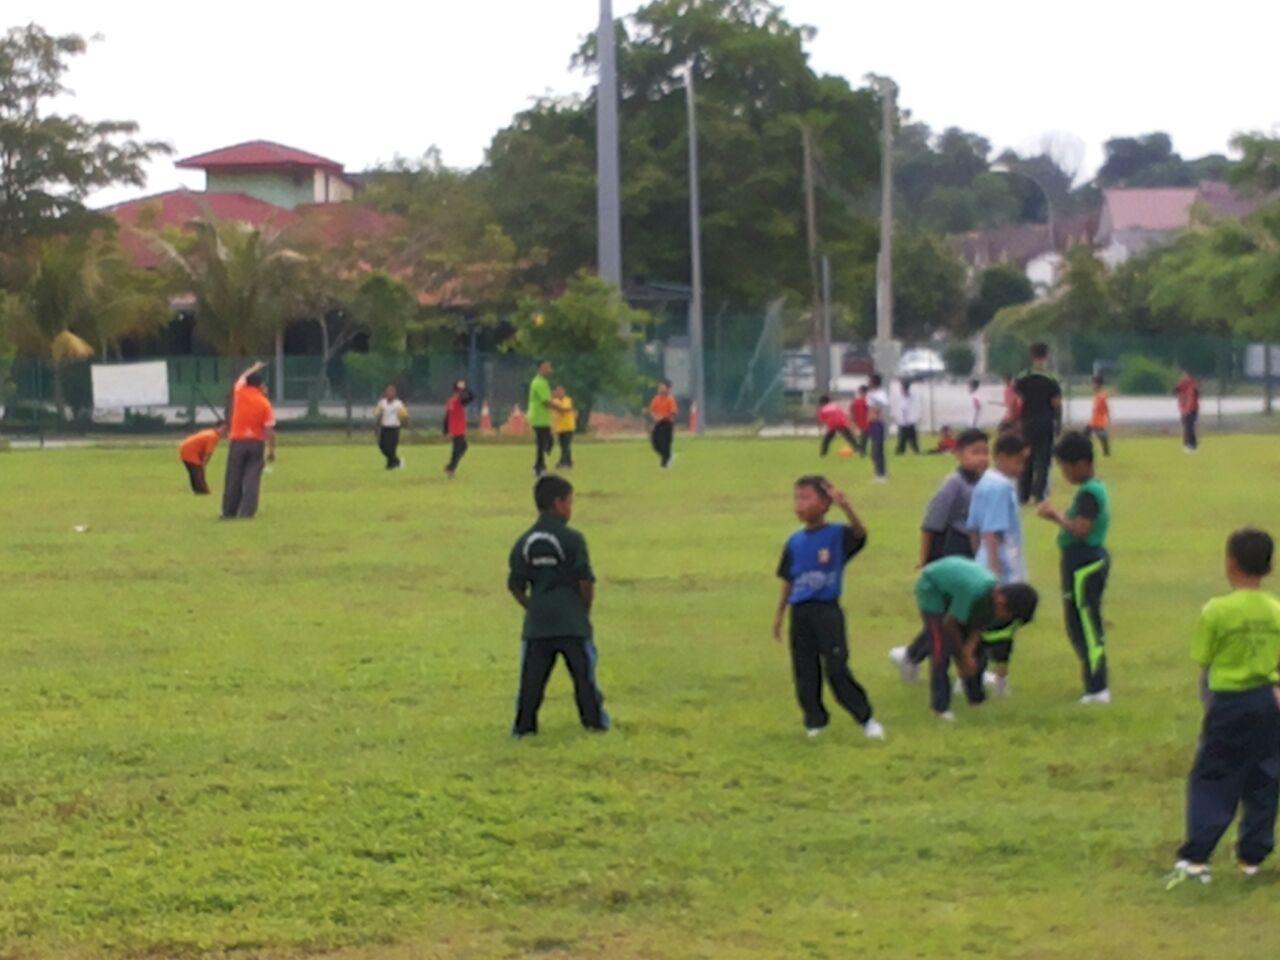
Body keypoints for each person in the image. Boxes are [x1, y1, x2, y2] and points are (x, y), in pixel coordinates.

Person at [1168, 529, 1280, 887]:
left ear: (1230, 563)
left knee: (1215, 775)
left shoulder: (1217, 610)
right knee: (1265, 775)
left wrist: (1209, 701)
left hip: (1230, 701)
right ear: (1270, 567)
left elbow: (1204, 659)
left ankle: (1197, 858)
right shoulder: (1276, 610)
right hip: (1267, 700)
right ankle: (1252, 856)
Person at [771, 476, 885, 740]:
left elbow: (860, 534)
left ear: (824, 503)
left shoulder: (837, 535)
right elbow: (788, 579)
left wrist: (847, 507)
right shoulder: (794, 542)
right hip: (801, 613)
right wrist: (779, 614)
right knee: (805, 669)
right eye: (796, 498)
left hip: (827, 611)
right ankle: (815, 721)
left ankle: (865, 718)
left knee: (836, 667)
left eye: (806, 498)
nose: (799, 505)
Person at [508, 475, 609, 737]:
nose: (570, 509)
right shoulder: (573, 539)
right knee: (583, 678)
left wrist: (533, 608)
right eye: (569, 502)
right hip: (571, 622)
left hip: (538, 626)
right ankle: (595, 724)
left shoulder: (524, 542)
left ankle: (524, 728)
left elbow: (515, 585)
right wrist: (582, 612)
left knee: (532, 682)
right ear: (558, 503)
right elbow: (585, 581)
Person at [890, 428, 990, 682]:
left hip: (971, 554)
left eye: (985, 452)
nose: (981, 458)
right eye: (975, 452)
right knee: (951, 617)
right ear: (957, 454)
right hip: (949, 552)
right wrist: (925, 560)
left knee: (961, 615)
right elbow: (931, 524)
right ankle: (925, 660)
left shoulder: (983, 481)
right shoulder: (953, 484)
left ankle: (912, 657)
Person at [913, 556, 1038, 720]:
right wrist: (962, 656)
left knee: (977, 654)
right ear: (1001, 600)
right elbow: (949, 624)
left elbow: (978, 627)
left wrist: (969, 651)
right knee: (940, 648)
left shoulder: (992, 601)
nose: (1004, 620)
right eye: (1008, 616)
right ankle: (940, 708)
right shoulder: (975, 592)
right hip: (932, 587)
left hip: (956, 591)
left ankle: (976, 699)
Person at [1037, 431, 1112, 704]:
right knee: (1075, 624)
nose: (1064, 474)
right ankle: (1092, 682)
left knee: (1087, 625)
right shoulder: (1089, 490)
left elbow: (1081, 529)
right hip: (1077, 561)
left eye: (1065, 467)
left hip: (1085, 562)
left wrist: (1055, 515)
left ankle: (1098, 687)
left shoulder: (1089, 493)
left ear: (1081, 463)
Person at [966, 432, 1032, 696]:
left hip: (984, 561)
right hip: (1001, 566)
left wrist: (979, 560)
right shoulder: (1000, 487)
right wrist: (994, 567)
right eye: (1019, 461)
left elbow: (973, 528)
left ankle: (975, 674)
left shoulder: (984, 482)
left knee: (981, 623)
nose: (1022, 468)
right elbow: (991, 531)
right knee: (1002, 625)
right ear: (1003, 457)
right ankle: (997, 680)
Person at [221, 361, 276, 520]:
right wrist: (271, 451)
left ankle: (229, 511)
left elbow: (242, 377)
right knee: (252, 478)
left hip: (237, 441)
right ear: (260, 386)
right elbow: (270, 431)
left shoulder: (240, 393)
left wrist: (255, 367)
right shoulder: (265, 404)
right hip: (256, 443)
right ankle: (246, 512)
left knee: (233, 477)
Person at [1016, 343, 1062, 504]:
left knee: (1026, 457)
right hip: (1045, 422)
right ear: (1047, 355)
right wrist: (1059, 424)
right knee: (1043, 459)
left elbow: (1016, 402)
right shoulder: (1051, 379)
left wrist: (1016, 421)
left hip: (1027, 422)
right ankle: (1039, 494)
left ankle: (1023, 494)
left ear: (1031, 355)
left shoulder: (1022, 378)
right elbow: (1056, 403)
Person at [178, 421, 227, 495]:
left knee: (194, 472)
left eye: (226, 430)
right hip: (190, 451)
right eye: (223, 429)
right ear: (217, 428)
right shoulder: (214, 436)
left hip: (185, 449)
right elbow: (208, 453)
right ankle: (203, 491)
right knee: (198, 472)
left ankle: (197, 490)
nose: (225, 431)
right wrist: (204, 464)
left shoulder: (211, 433)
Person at [527, 360, 555, 476]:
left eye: (549, 367)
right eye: (546, 367)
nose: (549, 369)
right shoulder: (538, 382)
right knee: (542, 442)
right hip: (538, 417)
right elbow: (546, 401)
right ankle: (539, 467)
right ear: (539, 369)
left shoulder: (544, 382)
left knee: (547, 441)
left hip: (543, 418)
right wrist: (562, 409)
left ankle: (539, 465)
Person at [443, 380, 474, 479]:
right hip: (458, 429)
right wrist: (465, 388)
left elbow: (447, 417)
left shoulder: (451, 401)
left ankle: (451, 467)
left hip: (455, 428)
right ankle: (451, 469)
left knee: (462, 447)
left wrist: (445, 430)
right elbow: (472, 396)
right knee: (458, 450)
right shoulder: (459, 400)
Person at [373, 385, 408, 470]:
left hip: (394, 429)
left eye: (391, 392)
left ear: (394, 394)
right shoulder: (382, 403)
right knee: (382, 446)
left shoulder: (398, 404)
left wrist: (405, 421)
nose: (389, 394)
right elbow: (378, 414)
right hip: (385, 428)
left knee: (391, 448)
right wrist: (376, 427)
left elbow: (404, 415)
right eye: (388, 392)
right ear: (385, 393)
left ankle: (391, 465)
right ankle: (397, 461)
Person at [649, 380, 678, 469]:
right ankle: (668, 455)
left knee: (665, 444)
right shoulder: (656, 399)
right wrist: (655, 417)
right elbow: (652, 410)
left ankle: (664, 465)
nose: (660, 389)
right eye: (660, 387)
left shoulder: (670, 399)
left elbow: (673, 413)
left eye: (662, 387)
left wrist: (663, 417)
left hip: (667, 424)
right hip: (658, 424)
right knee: (655, 442)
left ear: (667, 389)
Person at [866, 374, 889, 482]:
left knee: (878, 450)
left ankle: (881, 475)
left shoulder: (880, 394)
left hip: (878, 423)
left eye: (869, 381)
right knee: (874, 451)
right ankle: (878, 473)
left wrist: (875, 413)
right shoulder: (871, 394)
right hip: (872, 423)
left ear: (874, 382)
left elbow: (879, 407)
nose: (868, 383)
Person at [549, 384, 577, 469]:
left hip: (568, 427)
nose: (559, 393)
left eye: (561, 391)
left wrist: (557, 407)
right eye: (557, 391)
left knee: (566, 445)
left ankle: (562, 462)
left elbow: (565, 409)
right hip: (560, 428)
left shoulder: (567, 400)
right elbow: (550, 404)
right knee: (562, 446)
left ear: (564, 392)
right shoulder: (555, 401)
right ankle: (568, 462)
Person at [1086, 375, 1111, 457]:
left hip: (1098, 421)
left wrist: (1108, 417)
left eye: (1094, 384)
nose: (1093, 386)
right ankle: (1105, 452)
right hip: (1093, 420)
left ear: (1098, 385)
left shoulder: (1101, 396)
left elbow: (1106, 408)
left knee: (1101, 436)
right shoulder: (1097, 395)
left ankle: (1106, 452)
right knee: (1086, 436)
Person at [1176, 368, 1200, 453]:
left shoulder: (1192, 385)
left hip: (1191, 409)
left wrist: (1188, 409)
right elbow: (1178, 391)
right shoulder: (1182, 384)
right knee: (1186, 427)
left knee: (1189, 427)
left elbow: (1192, 398)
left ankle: (1191, 445)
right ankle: (1188, 445)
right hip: (1184, 409)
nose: (1184, 376)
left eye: (1186, 375)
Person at [896, 378, 921, 455]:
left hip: (910, 422)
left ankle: (916, 451)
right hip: (902, 422)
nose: (901, 390)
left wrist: (913, 418)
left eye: (902, 388)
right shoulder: (899, 397)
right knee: (901, 439)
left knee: (913, 439)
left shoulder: (912, 397)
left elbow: (914, 409)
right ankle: (900, 451)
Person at [850, 385, 871, 455]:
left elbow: (852, 410)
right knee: (864, 437)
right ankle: (862, 451)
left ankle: (861, 451)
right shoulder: (867, 400)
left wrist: (853, 419)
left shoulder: (857, 401)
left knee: (863, 436)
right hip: (866, 421)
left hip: (861, 421)